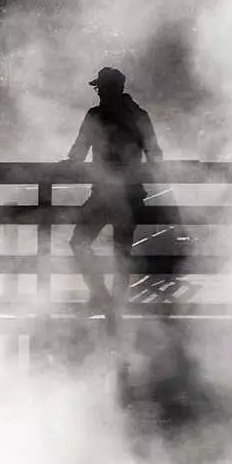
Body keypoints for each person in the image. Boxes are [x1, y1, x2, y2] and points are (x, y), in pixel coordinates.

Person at [65, 67, 162, 316]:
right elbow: (155, 155)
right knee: (120, 252)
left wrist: (67, 165)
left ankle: (104, 298)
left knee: (81, 242)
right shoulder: (137, 116)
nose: (98, 93)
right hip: (127, 195)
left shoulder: (97, 116)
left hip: (107, 195)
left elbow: (78, 153)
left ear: (112, 89)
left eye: (100, 88)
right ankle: (111, 302)